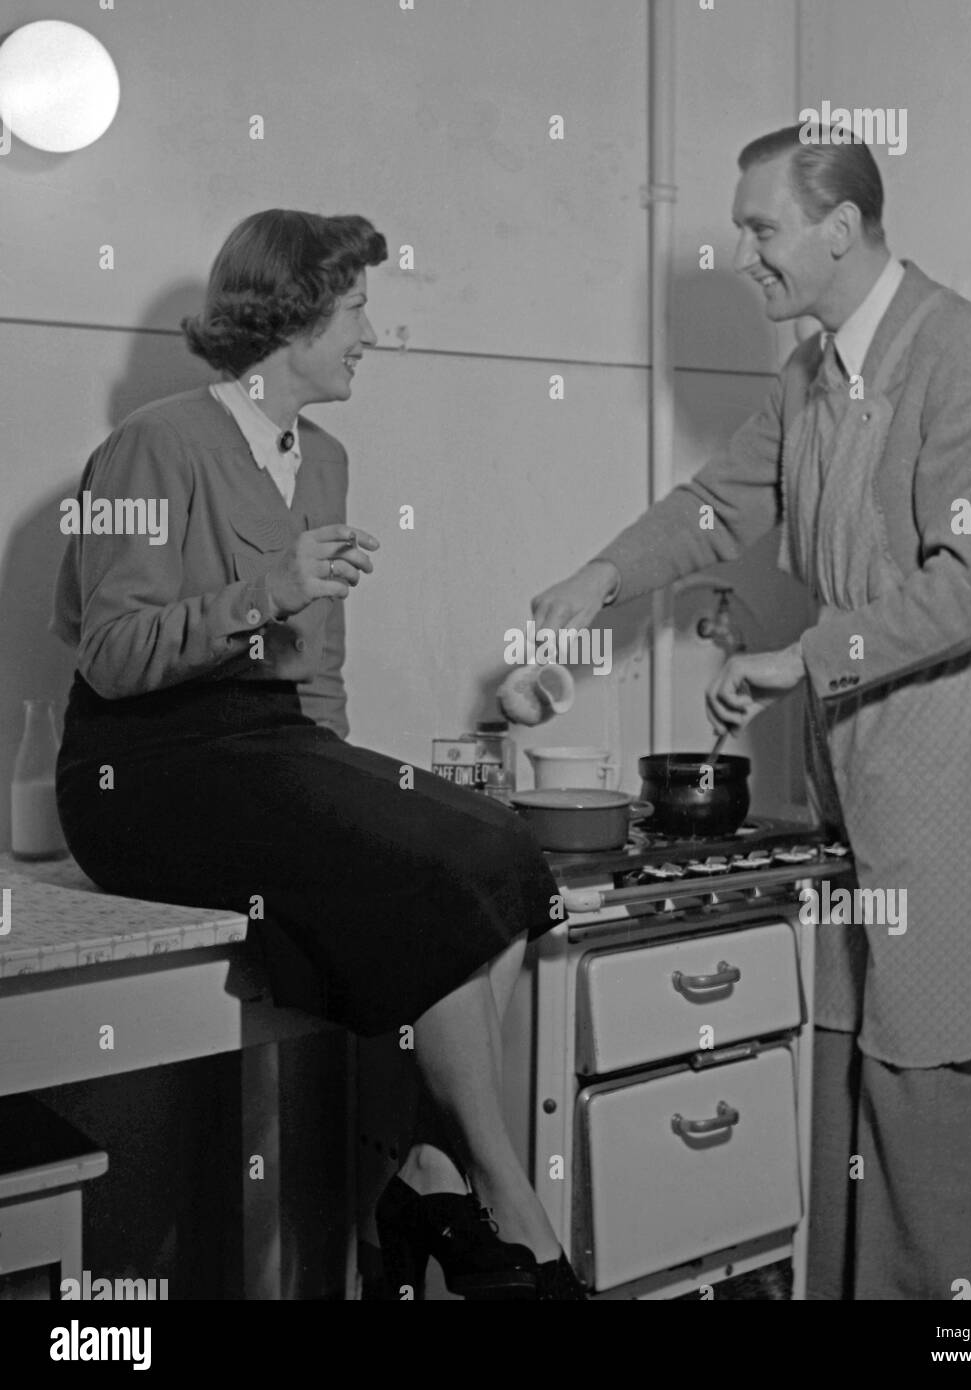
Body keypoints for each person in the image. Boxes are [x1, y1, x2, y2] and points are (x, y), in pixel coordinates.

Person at [533, 126, 971, 1300]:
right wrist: (602, 579)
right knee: (835, 1047)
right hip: (848, 760)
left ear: (841, 228)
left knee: (926, 1066)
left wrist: (797, 659)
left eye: (761, 230)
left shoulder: (968, 356)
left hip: (948, 761)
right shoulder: (811, 374)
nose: (745, 255)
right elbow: (718, 507)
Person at [50, 208, 583, 1301]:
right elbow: (109, 653)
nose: (370, 333)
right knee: (437, 863)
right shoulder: (158, 443)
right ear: (290, 315)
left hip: (275, 751)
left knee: (499, 848)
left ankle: (428, 1168)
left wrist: (354, 803)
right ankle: (501, 1191)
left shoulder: (324, 459)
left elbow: (317, 678)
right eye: (354, 309)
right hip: (149, 767)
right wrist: (269, 588)